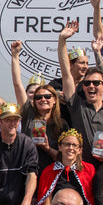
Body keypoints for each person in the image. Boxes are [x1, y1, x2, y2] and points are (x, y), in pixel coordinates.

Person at [59, 21, 103, 163]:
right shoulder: (77, 105)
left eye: (96, 83)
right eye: (87, 83)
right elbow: (66, 73)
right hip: (82, 167)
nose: (91, 85)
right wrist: (62, 40)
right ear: (83, 87)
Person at [10, 41, 68, 169]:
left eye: (47, 96)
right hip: (27, 170)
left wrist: (47, 148)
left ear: (54, 100)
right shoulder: (28, 114)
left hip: (51, 172)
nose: (43, 99)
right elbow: (17, 84)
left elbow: (65, 157)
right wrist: (15, 56)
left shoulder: (62, 124)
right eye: (38, 97)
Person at [33, 129, 94, 205]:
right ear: (60, 147)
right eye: (67, 144)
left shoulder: (88, 170)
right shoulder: (49, 171)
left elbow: (91, 202)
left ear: (80, 150)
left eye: (75, 145)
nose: (71, 148)